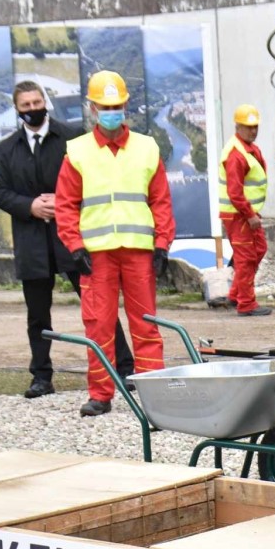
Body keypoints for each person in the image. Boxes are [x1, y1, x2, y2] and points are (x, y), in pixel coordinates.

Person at [0, 80, 135, 399]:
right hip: (31, 240)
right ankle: (41, 376)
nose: (32, 109)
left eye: (36, 102)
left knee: (99, 307)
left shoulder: (73, 138)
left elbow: (94, 178)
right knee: (37, 314)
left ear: (46, 102)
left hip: (72, 237)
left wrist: (64, 200)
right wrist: (29, 206)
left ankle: (124, 368)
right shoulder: (7, 147)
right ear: (17, 109)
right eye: (25, 105)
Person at [55, 70, 176, 417]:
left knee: (146, 325)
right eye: (105, 106)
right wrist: (75, 247)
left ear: (125, 106)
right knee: (99, 325)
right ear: (92, 108)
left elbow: (161, 201)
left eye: (117, 105)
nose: (112, 111)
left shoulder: (146, 148)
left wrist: (162, 244)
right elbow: (65, 205)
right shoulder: (77, 152)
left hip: (139, 253)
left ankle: (154, 396)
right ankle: (101, 394)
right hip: (96, 256)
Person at [219, 104, 272, 317]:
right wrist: (249, 215)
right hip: (239, 214)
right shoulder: (236, 154)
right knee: (247, 257)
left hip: (245, 213)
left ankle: (236, 294)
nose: (253, 131)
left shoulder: (247, 147)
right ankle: (246, 303)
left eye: (255, 126)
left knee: (258, 249)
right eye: (248, 127)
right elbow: (235, 192)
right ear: (238, 126)